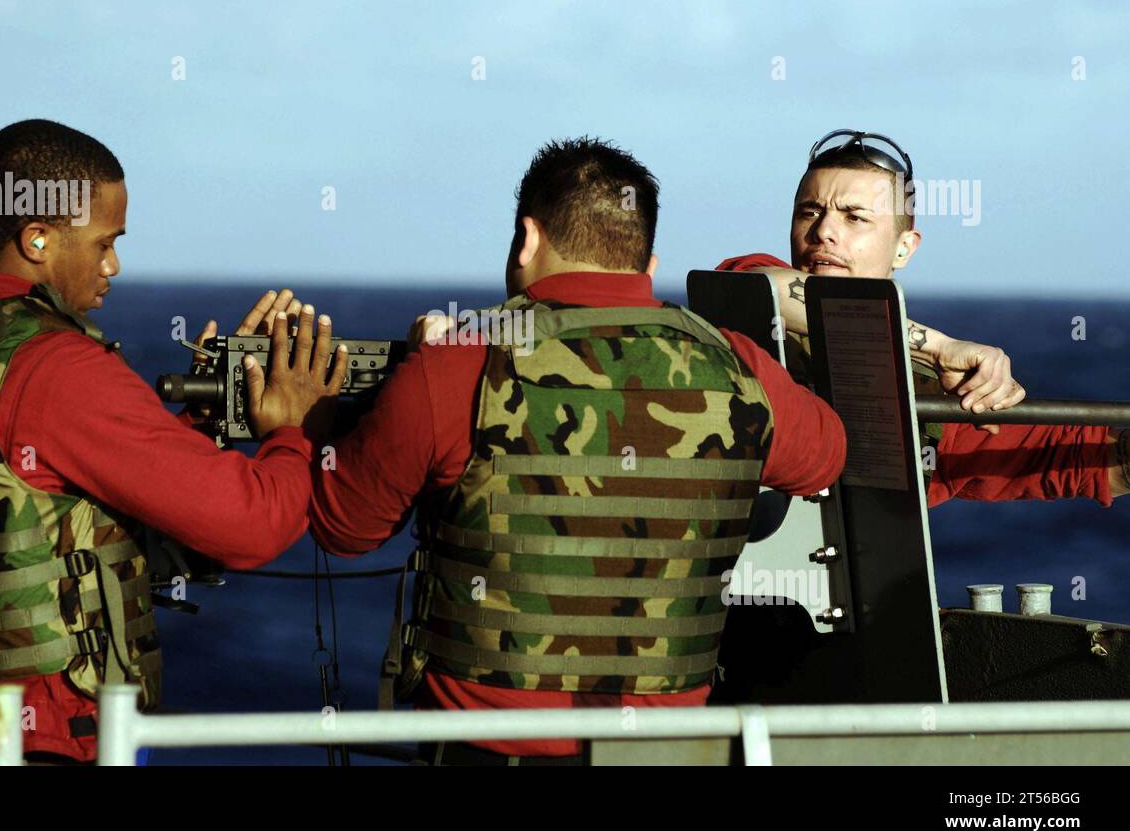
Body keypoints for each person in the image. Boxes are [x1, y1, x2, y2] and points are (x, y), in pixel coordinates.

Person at [307, 137, 847, 764]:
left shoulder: (458, 367)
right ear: (647, 262)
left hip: (485, 752)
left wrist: (307, 421)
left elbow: (345, 527)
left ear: (527, 239)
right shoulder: (739, 368)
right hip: (664, 756)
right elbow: (827, 456)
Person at [0, 118, 348, 764]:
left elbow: (24, 489)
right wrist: (294, 426)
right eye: (104, 242)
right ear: (36, 238)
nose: (113, 265)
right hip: (43, 736)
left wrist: (203, 422)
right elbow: (253, 524)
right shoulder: (56, 367)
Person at [717, 128, 1129, 505]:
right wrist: (939, 348)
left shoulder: (931, 395)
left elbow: (1081, 460)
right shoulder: (747, 288)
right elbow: (763, 290)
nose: (823, 231)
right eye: (809, 212)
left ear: (904, 248)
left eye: (854, 217)